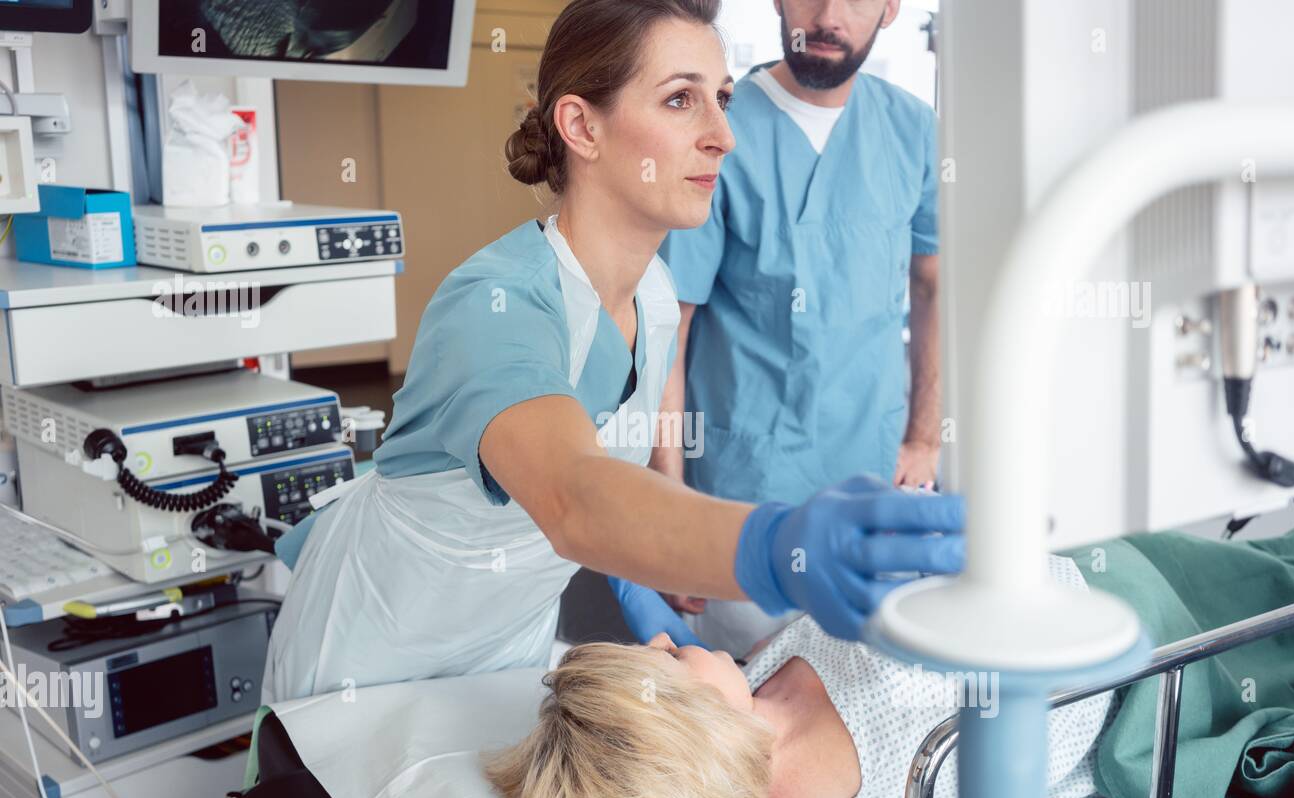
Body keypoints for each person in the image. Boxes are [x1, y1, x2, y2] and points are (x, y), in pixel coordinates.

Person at [261, 0, 964, 704]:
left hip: (502, 657)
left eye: (721, 99)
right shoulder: (494, 306)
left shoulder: (653, 300)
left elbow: (598, 468)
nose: (725, 135)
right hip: (361, 669)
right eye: (681, 99)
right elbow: (569, 494)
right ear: (581, 126)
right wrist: (774, 547)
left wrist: (636, 569)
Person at [488, 558, 1115, 798]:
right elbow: (1070, 643)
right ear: (693, 726)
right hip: (1115, 612)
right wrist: (948, 557)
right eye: (666, 663)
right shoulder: (917, 748)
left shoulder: (750, 702)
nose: (658, 641)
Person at [653, 0, 943, 656]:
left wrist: (925, 437)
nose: (829, 15)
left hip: (871, 485)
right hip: (742, 496)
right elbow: (673, 323)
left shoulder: (913, 131)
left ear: (891, 10)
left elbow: (933, 286)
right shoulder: (722, 130)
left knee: (856, 705)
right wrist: (668, 504)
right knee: (743, 713)